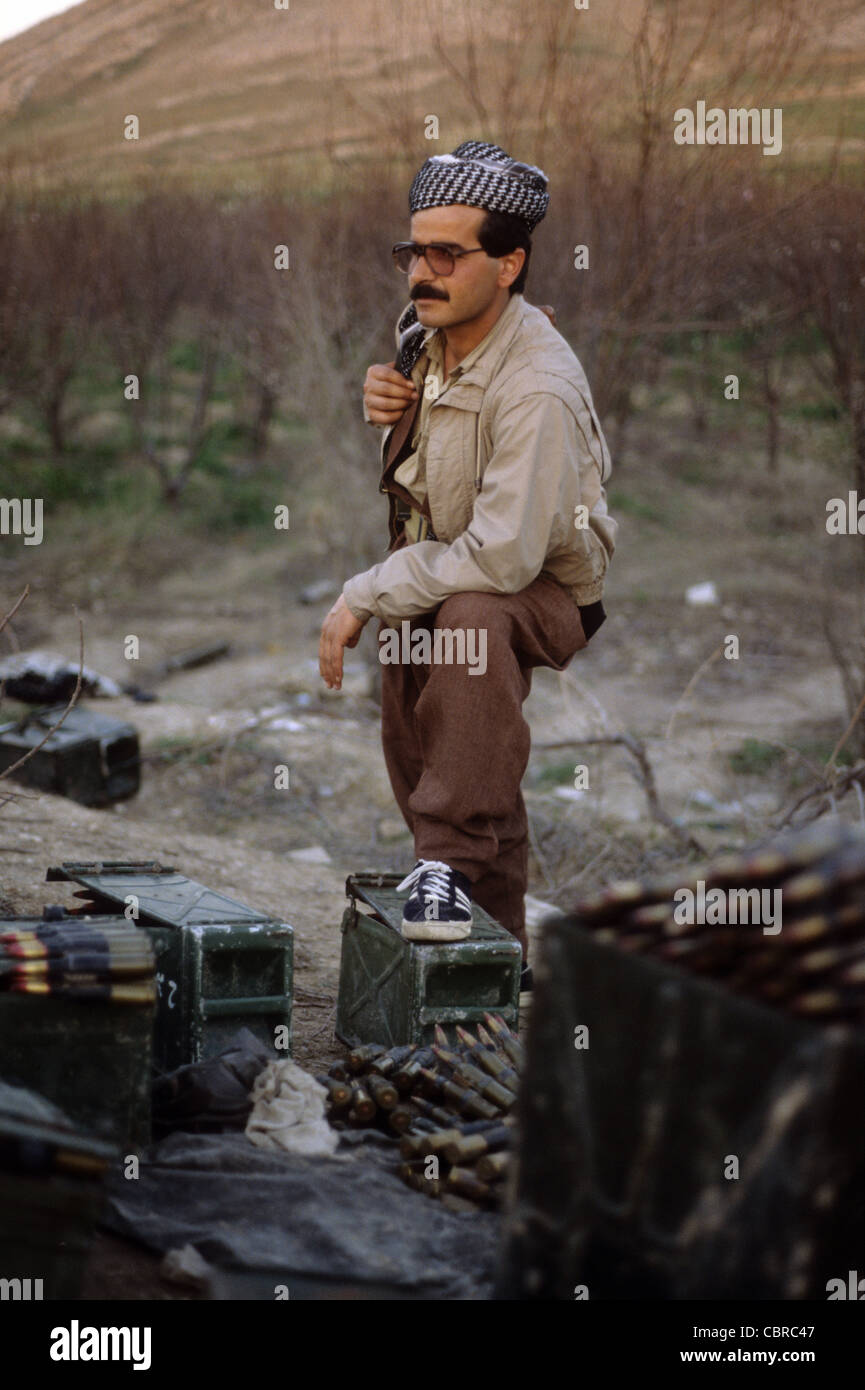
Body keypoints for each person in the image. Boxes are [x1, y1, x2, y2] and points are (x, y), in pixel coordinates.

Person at [319, 140, 618, 979]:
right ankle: (497, 957)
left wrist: (364, 593)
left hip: (540, 581)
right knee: (440, 746)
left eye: (447, 254)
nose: (422, 270)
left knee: (471, 628)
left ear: (510, 262)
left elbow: (501, 557)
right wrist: (387, 406)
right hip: (444, 559)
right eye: (413, 250)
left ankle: (445, 865)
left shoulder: (539, 390)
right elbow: (429, 450)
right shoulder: (430, 332)